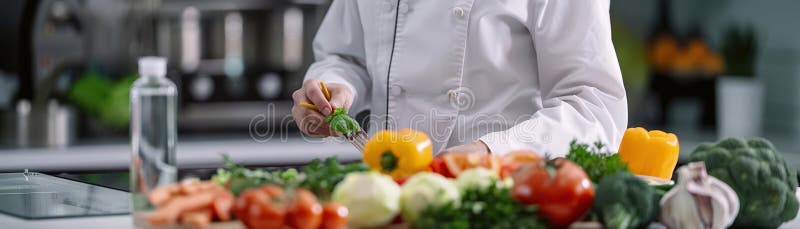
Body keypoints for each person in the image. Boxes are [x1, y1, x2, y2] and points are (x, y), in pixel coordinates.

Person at [291, 0, 627, 157]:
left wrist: (491, 152)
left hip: (506, 201)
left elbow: (593, 106)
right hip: (389, 199)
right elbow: (346, 55)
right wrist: (335, 85)